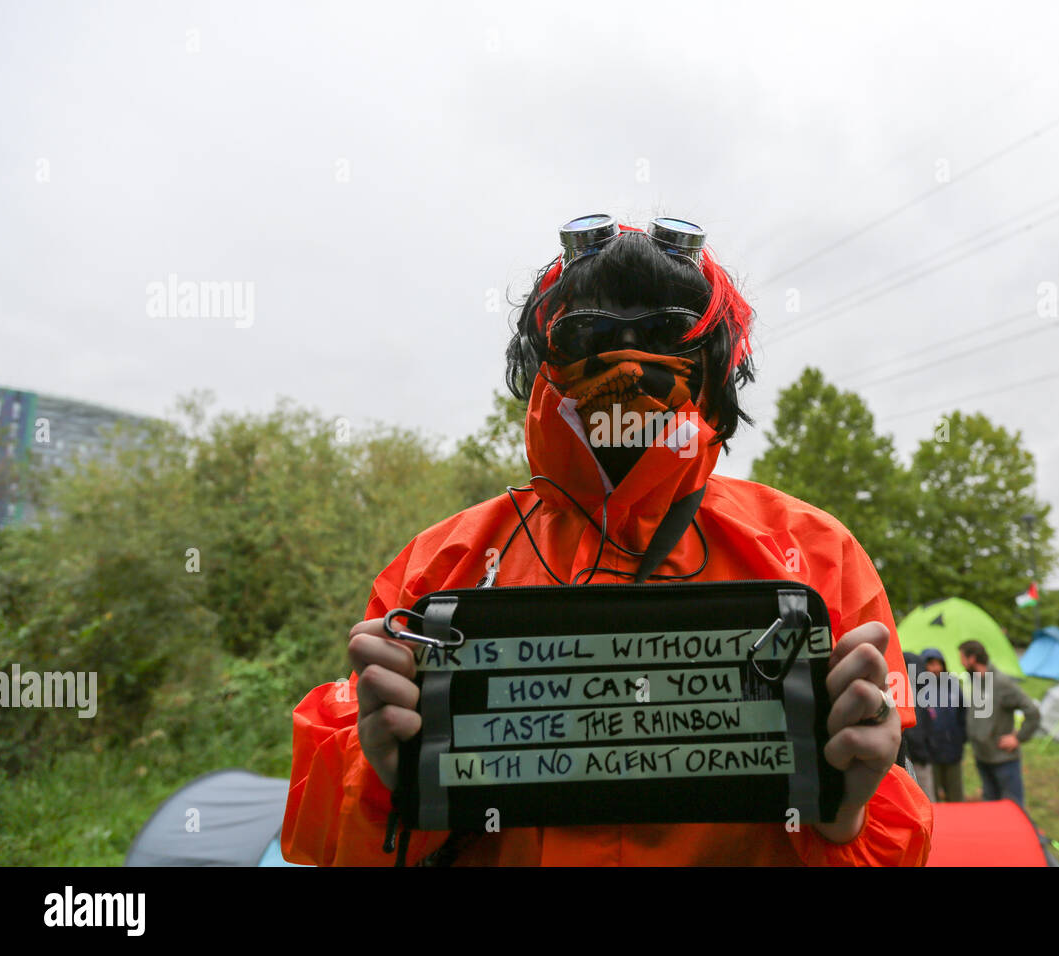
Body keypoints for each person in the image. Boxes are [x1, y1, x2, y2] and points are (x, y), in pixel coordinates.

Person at [281, 214, 933, 866]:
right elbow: (330, 846)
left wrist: (846, 812)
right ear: (542, 363)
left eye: (664, 332)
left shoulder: (816, 553)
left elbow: (893, 831)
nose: (627, 356)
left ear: (713, 364)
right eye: (587, 333)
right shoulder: (438, 568)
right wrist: (390, 783)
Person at [958, 639, 1039, 808]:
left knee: (1013, 807)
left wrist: (1018, 738)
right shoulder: (976, 680)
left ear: (972, 659)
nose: (960, 662)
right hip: (983, 756)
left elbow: (1032, 711)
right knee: (991, 807)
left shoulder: (1001, 683)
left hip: (1003, 760)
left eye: (962, 658)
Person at [917, 648, 966, 803]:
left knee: (956, 795)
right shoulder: (918, 688)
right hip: (930, 753)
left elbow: (963, 713)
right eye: (931, 664)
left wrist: (961, 738)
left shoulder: (953, 685)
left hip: (953, 749)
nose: (936, 668)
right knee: (932, 797)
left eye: (939, 664)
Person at [902, 651, 935, 800]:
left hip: (911, 756)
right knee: (924, 799)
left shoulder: (906, 693)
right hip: (918, 756)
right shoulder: (921, 694)